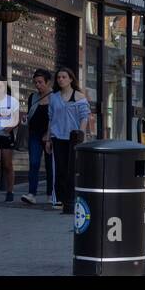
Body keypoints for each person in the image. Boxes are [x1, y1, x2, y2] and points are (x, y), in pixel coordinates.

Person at [45, 68, 90, 213]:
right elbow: (50, 119)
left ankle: (72, 198)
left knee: (73, 170)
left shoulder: (79, 97)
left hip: (74, 139)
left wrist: (81, 134)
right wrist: (48, 139)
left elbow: (85, 117)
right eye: (58, 77)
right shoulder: (54, 97)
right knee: (59, 169)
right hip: (57, 137)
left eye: (64, 77)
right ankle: (58, 198)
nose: (61, 80)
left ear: (71, 79)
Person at [21, 70, 53, 206]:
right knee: (34, 163)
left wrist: (49, 134)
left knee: (50, 165)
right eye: (35, 83)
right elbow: (31, 113)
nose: (37, 85)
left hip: (50, 135)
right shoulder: (33, 97)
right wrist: (26, 118)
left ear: (48, 82)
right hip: (34, 134)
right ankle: (31, 194)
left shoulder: (55, 97)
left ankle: (51, 194)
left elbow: (56, 118)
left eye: (40, 82)